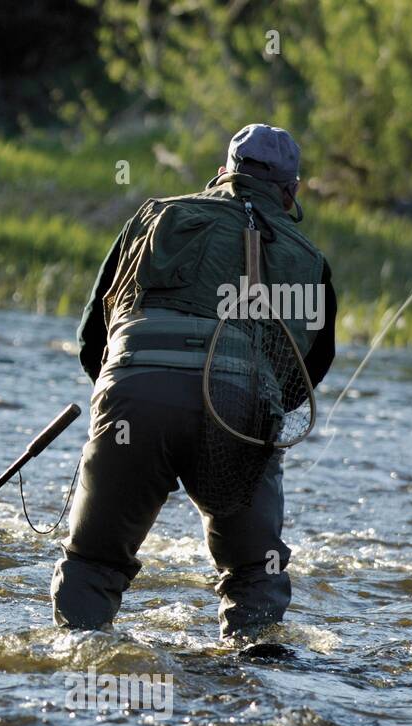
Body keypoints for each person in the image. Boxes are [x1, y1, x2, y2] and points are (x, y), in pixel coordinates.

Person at [51, 123, 336, 642]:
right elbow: (303, 377)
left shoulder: (157, 215)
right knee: (255, 573)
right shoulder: (310, 260)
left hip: (135, 395)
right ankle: (246, 686)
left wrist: (128, 405)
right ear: (292, 191)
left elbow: (93, 336)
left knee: (93, 562)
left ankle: (78, 668)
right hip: (241, 413)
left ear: (224, 172)